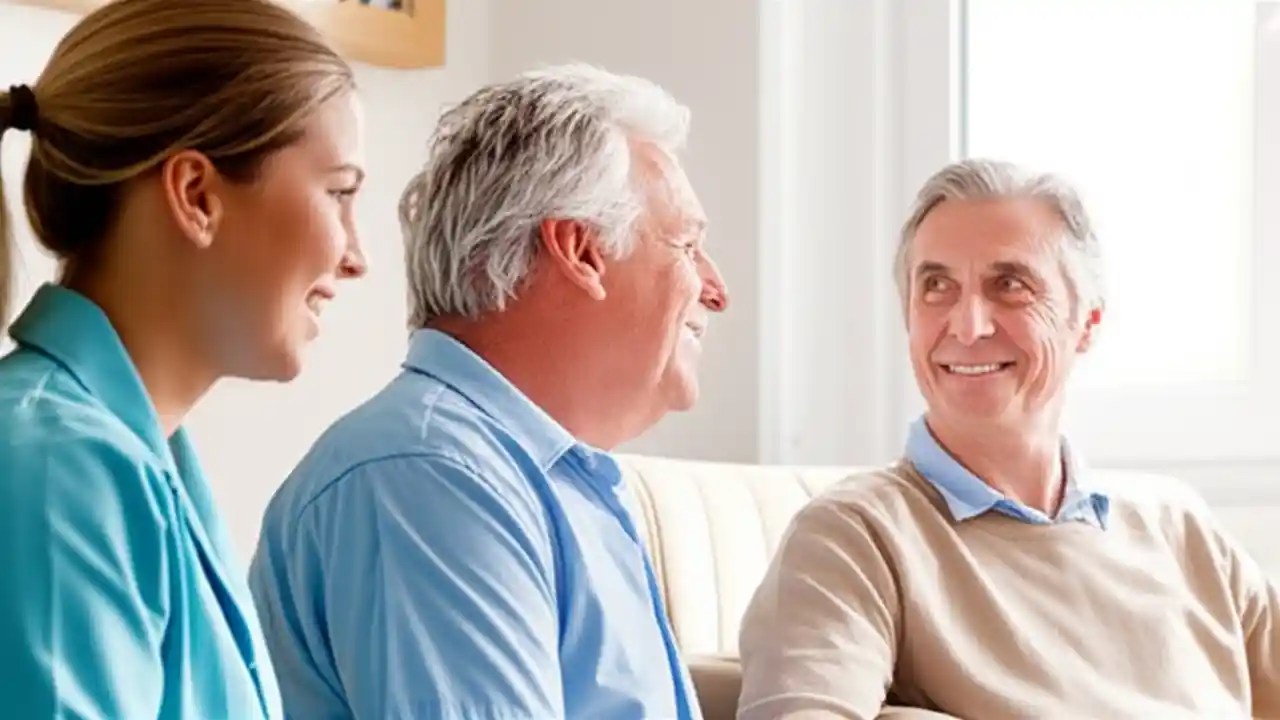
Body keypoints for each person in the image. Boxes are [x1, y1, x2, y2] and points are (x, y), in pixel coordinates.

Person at [248, 63, 730, 719]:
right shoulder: (431, 478)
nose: (715, 288)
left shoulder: (544, 477)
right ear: (579, 250)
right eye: (688, 244)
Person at [737, 158, 1280, 719]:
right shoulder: (856, 537)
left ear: (1086, 322)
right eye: (936, 286)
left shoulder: (1181, 530)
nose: (968, 325)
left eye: (1010, 285)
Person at [0, 0, 368, 717]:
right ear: (197, 195)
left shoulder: (136, 463)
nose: (358, 256)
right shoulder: (57, 467)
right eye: (339, 193)